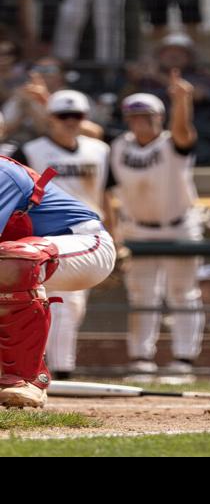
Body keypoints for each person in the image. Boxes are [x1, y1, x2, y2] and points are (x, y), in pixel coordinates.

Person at [0, 142, 119, 408]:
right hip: (31, 252)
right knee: (10, 262)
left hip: (85, 243)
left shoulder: (2, 173)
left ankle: (28, 379)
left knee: (13, 262)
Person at [111, 78, 205, 384]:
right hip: (137, 229)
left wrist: (182, 101)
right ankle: (141, 359)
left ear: (159, 118)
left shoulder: (170, 142)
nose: (141, 122)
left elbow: (183, 133)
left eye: (147, 117)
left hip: (178, 227)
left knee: (183, 294)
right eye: (135, 117)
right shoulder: (119, 146)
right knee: (141, 296)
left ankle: (183, 361)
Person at [19, 90, 115, 382]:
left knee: (73, 309)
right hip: (46, 235)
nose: (70, 122)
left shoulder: (99, 149)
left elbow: (107, 195)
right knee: (62, 306)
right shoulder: (31, 150)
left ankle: (47, 370)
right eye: (63, 116)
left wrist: (117, 236)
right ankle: (58, 373)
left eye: (77, 116)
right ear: (50, 118)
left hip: (86, 236)